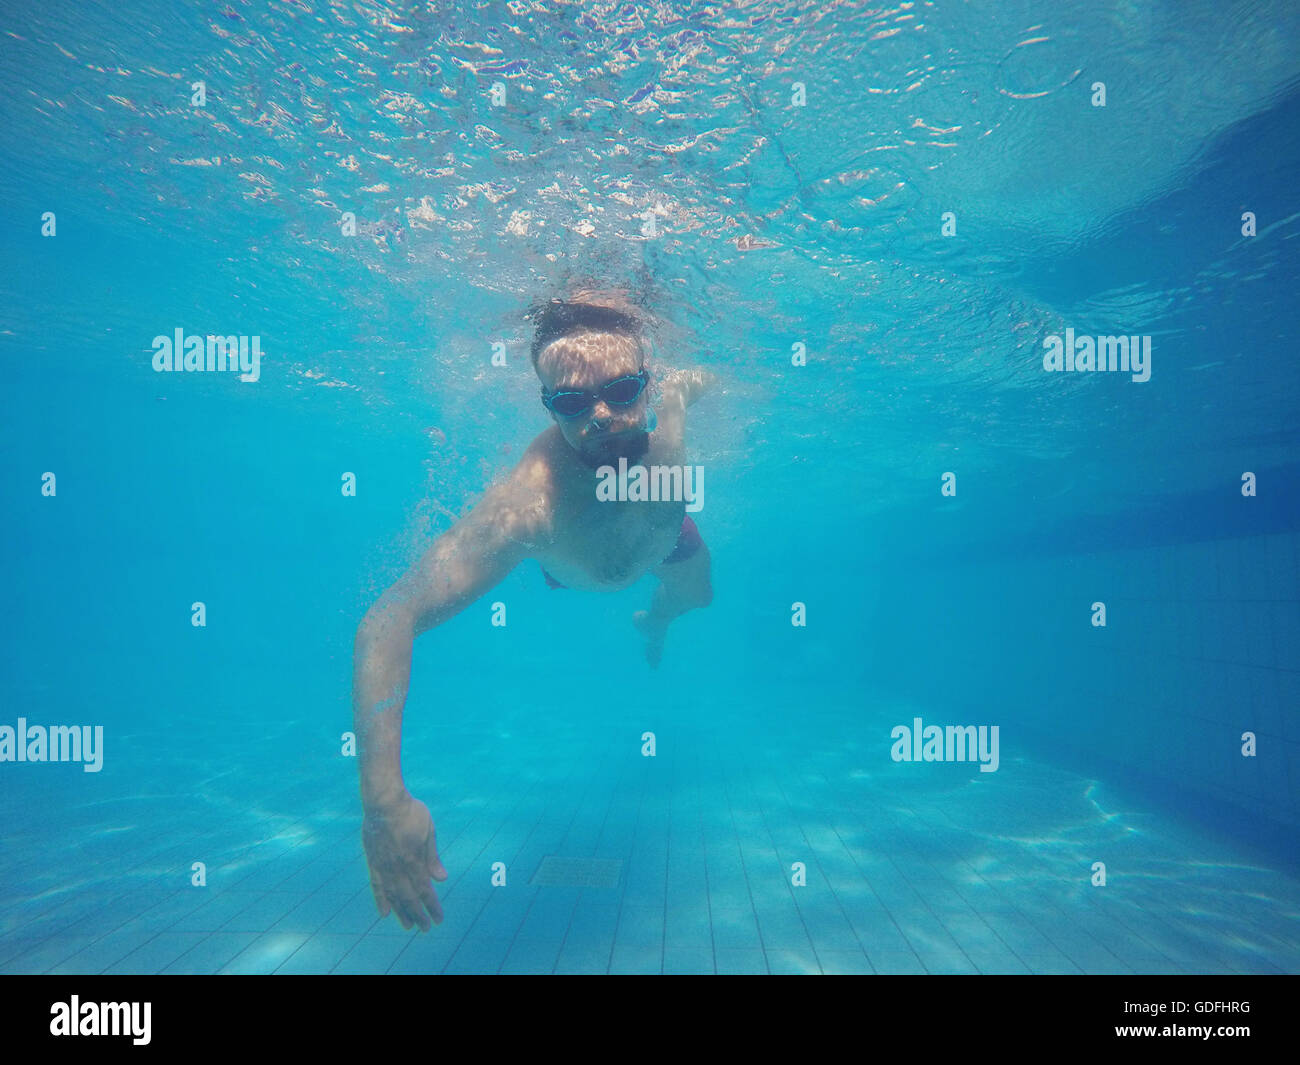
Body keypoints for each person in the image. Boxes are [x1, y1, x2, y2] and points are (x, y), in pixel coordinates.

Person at [352, 288, 716, 930]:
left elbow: (672, 450)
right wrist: (384, 801)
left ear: (648, 388)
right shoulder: (531, 507)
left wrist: (681, 404)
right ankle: (648, 614)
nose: (601, 416)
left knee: (698, 596)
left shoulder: (664, 447)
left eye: (625, 391)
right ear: (550, 407)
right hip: (580, 568)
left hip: (661, 539)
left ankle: (653, 621)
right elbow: (387, 619)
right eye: (573, 402)